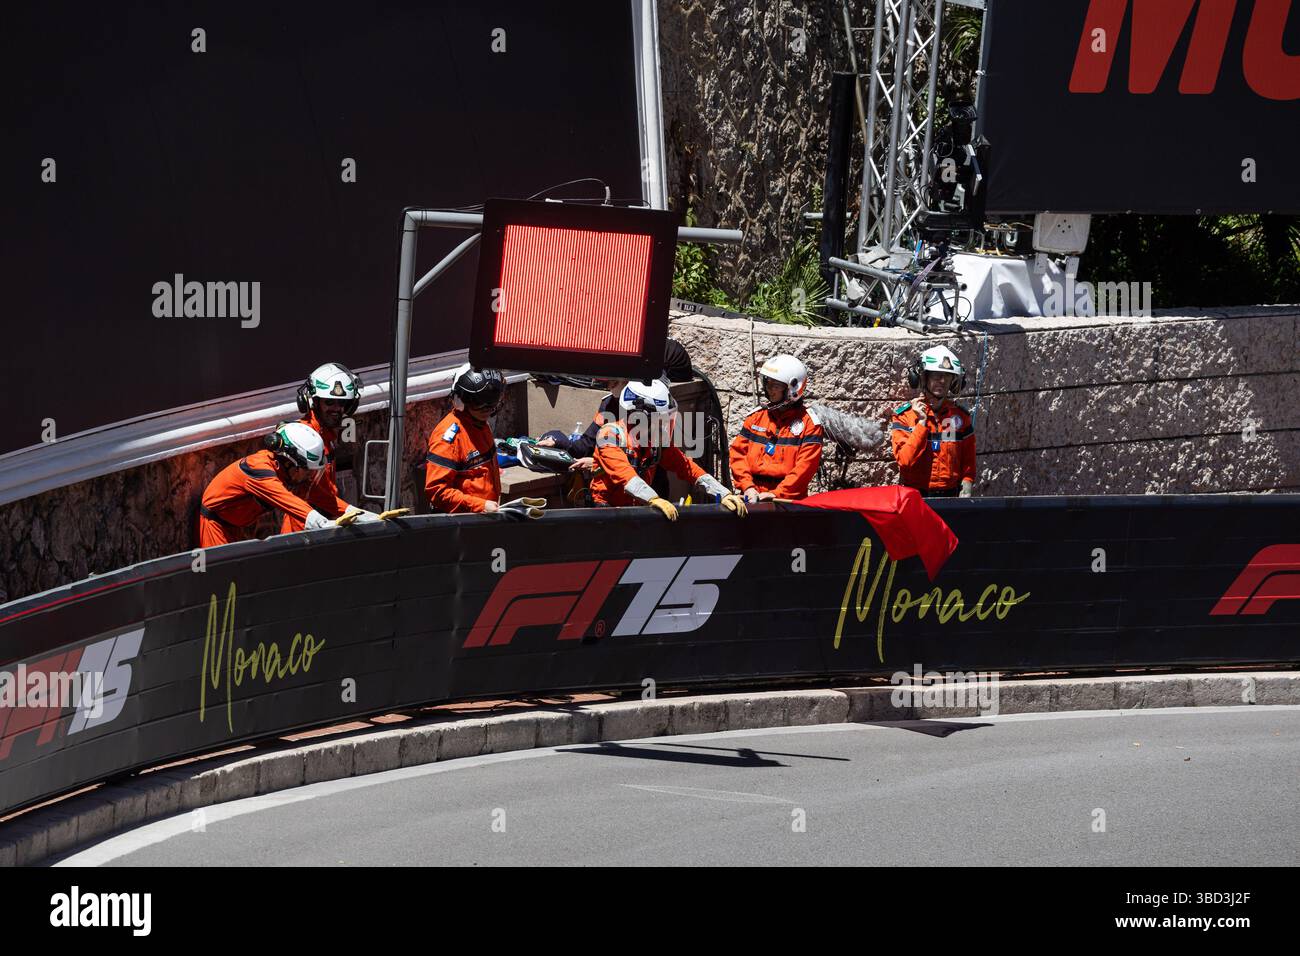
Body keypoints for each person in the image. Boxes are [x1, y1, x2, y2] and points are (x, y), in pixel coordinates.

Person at [588, 378, 746, 520]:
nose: (663, 426)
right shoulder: (609, 435)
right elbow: (625, 475)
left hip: (638, 508)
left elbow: (686, 467)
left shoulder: (654, 439)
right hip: (606, 512)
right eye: (659, 421)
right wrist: (653, 499)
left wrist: (722, 493)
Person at [198, 422, 375, 547]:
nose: (309, 476)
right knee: (221, 586)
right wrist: (321, 523)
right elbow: (286, 500)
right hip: (215, 527)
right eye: (306, 470)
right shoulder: (258, 471)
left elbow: (323, 498)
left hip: (236, 524)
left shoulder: (288, 472)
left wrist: (361, 514)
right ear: (289, 462)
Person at [280, 362, 364, 533]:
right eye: (329, 402)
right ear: (314, 402)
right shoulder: (304, 438)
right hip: (304, 531)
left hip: (323, 526)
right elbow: (308, 494)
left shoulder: (326, 436)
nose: (336, 409)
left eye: (341, 403)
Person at [729, 354, 824, 502]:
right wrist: (747, 486)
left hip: (786, 503)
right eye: (768, 383)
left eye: (776, 385)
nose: (770, 390)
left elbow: (805, 468)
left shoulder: (809, 425)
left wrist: (777, 493)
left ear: (793, 388)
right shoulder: (755, 417)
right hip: (752, 496)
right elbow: (738, 454)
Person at [890, 344, 976, 498]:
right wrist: (921, 423)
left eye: (947, 376)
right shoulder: (905, 416)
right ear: (923, 378)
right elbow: (905, 460)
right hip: (916, 498)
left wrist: (967, 484)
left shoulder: (960, 417)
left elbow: (968, 460)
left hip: (951, 498)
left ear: (954, 382)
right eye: (936, 375)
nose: (942, 381)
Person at [425, 364, 504, 514]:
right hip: (461, 523)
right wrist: (479, 505)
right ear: (462, 400)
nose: (486, 411)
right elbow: (437, 491)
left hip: (485, 516)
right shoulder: (448, 438)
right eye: (480, 405)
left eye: (491, 405)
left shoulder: (480, 424)